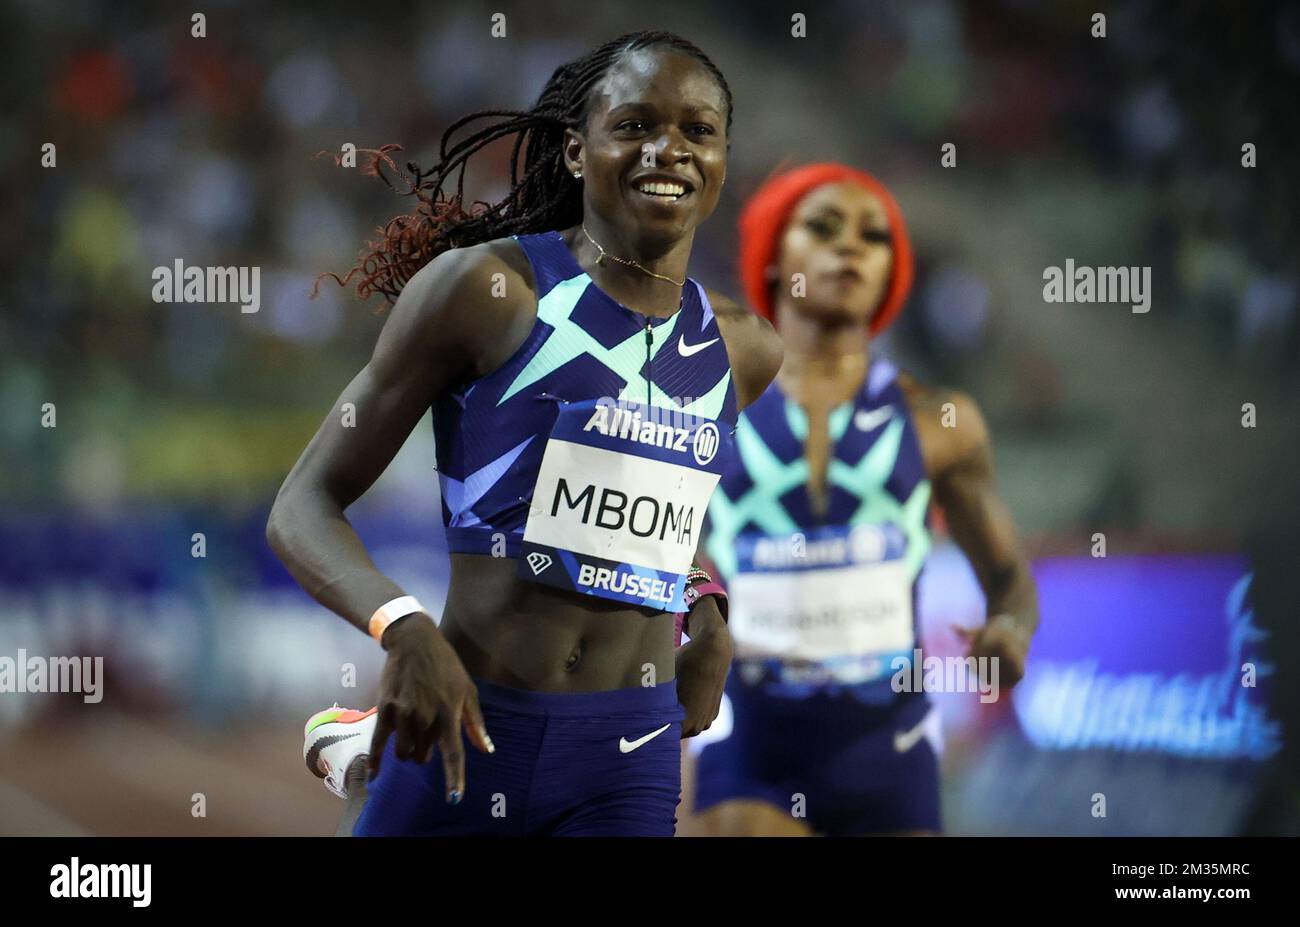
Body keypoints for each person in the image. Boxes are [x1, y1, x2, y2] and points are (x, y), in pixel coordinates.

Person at [267, 30, 781, 836]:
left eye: (697, 131)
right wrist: (402, 631)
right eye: (636, 124)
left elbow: (658, 513)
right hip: (467, 724)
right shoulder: (490, 291)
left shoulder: (744, 347)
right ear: (576, 152)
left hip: (630, 748)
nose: (668, 149)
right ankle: (374, 747)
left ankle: (364, 747)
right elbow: (303, 504)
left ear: (721, 160)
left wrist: (707, 607)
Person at [685, 163, 1039, 836]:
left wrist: (1011, 630)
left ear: (892, 271)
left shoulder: (942, 420)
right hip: (754, 739)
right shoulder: (708, 409)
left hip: (891, 748)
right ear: (773, 255)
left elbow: (1008, 579)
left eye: (873, 235)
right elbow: (661, 548)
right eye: (823, 227)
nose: (850, 246)